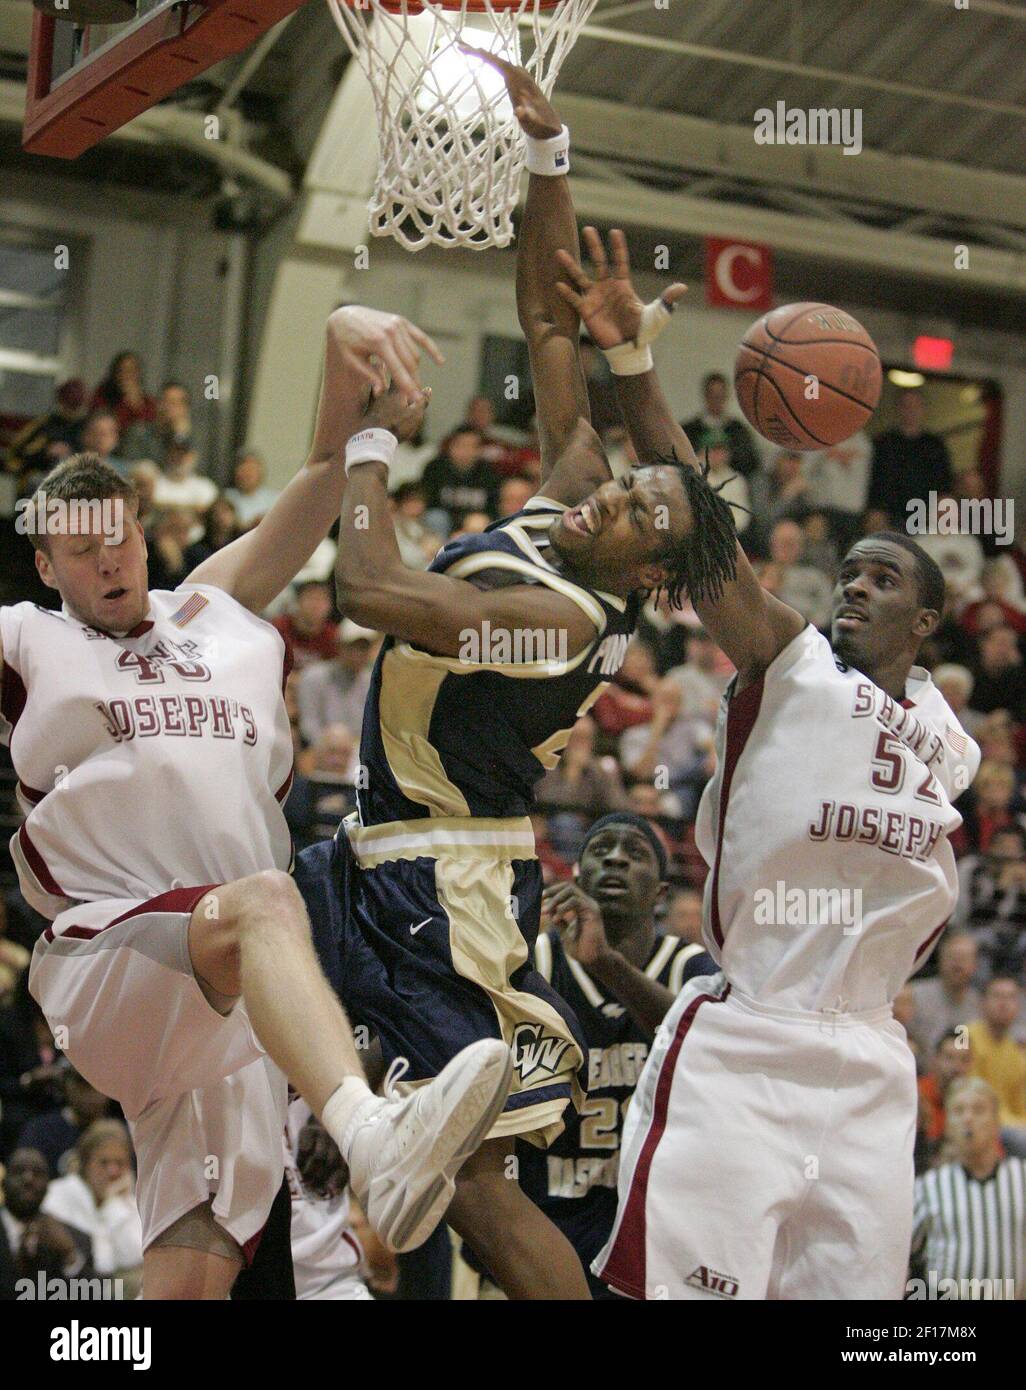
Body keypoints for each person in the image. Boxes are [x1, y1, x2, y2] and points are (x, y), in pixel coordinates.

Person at [294, 54, 715, 1300]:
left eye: (644, 505)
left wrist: (367, 443)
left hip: (448, 878)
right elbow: (547, 322)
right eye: (633, 478)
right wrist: (548, 160)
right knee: (372, 1129)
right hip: (386, 842)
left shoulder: (551, 616)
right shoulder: (570, 512)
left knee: (472, 1180)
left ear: (650, 573)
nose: (619, 493)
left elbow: (366, 593)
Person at [0, 306, 513, 1300]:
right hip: (113, 956)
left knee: (191, 1263)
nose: (106, 561)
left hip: (221, 1001)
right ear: (46, 565)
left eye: (118, 539)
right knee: (267, 903)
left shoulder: (213, 613)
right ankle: (378, 1140)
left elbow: (319, 481)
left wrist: (343, 340)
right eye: (79, 549)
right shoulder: (28, 639)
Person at [533, 185, 979, 1297]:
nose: (855, 591)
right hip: (752, 1037)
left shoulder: (951, 732)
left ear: (926, 621)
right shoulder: (794, 661)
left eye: (884, 580)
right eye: (850, 573)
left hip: (875, 1057)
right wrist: (633, 361)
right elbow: (697, 527)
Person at [503, 813, 715, 1298]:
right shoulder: (533, 962)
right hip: (548, 1223)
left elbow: (703, 1047)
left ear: (661, 894)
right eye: (600, 849)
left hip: (658, 1228)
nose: (616, 857)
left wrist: (605, 963)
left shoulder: (691, 969)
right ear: (577, 877)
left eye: (635, 853)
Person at [910, 1078, 1026, 1298]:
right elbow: (902, 1254)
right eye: (958, 1111)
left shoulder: (1021, 1177)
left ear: (996, 1122)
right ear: (948, 1125)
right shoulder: (928, 1187)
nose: (968, 1118)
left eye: (979, 1110)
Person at [41, 1119, 144, 1282]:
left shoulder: (130, 1204)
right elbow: (101, 1263)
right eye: (104, 1163)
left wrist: (112, 1203)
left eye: (120, 1163)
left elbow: (131, 1258)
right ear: (86, 1163)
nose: (112, 1171)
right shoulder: (57, 1194)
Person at [0, 1147, 95, 1299]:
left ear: (48, 1186)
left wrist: (69, 1256)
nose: (28, 1179)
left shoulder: (76, 1240)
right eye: (19, 1171)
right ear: (3, 1183)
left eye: (38, 1173)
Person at [867, 388, 953, 527]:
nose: (911, 410)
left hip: (926, 518)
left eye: (915, 406)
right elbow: (874, 481)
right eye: (906, 406)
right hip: (889, 517)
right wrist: (875, 510)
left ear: (923, 409)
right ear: (898, 409)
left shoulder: (935, 445)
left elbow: (944, 483)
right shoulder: (883, 443)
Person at [17, 1066, 112, 1177]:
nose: (90, 1092)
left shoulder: (121, 1134)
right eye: (82, 1083)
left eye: (98, 1084)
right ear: (67, 1085)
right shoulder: (41, 1131)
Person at [296, 620, 379, 747]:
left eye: (363, 648)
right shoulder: (314, 677)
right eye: (352, 647)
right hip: (322, 751)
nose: (358, 654)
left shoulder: (373, 683)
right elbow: (308, 726)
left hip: (359, 754)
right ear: (339, 646)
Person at [906, 931, 982, 1058]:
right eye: (952, 958)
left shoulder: (980, 1004)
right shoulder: (913, 994)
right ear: (940, 960)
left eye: (963, 959)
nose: (957, 965)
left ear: (975, 965)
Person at [967, 977, 1026, 1132]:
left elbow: (1021, 1105)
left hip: (1013, 1125)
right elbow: (967, 1089)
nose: (1004, 1004)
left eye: (1011, 998)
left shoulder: (1017, 1051)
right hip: (975, 1118)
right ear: (982, 1003)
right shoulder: (964, 1035)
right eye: (997, 996)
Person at [681, 371, 760, 478]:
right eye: (712, 395)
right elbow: (680, 460)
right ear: (705, 395)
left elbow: (752, 462)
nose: (716, 400)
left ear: (726, 396)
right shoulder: (689, 429)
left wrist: (729, 457)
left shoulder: (738, 430)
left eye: (720, 395)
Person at [419, 426, 499, 531]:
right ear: (450, 447)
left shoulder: (489, 473)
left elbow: (493, 508)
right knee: (435, 518)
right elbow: (428, 504)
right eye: (461, 445)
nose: (466, 451)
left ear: (479, 450)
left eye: (472, 446)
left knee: (480, 521)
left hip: (475, 525)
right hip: (442, 525)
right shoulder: (435, 469)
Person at [917, 1028, 972, 1150]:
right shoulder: (918, 1094)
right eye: (949, 1058)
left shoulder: (974, 1100)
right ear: (935, 1060)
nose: (957, 1067)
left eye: (964, 1060)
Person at [121, 381, 194, 467]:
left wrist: (180, 436)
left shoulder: (189, 438)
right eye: (165, 401)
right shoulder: (139, 433)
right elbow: (129, 467)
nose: (169, 408)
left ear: (185, 409)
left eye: (175, 403)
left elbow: (183, 469)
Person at [272, 580, 339, 671]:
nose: (316, 605)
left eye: (322, 600)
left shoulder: (334, 636)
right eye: (311, 598)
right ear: (297, 602)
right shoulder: (279, 628)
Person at [90, 352, 156, 434]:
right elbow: (97, 423)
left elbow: (148, 429)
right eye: (122, 370)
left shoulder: (147, 402)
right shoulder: (102, 394)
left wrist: (136, 405)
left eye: (131, 371)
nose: (126, 376)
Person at [225, 450, 280, 529]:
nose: (246, 475)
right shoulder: (227, 498)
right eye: (243, 470)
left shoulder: (274, 499)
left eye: (251, 471)